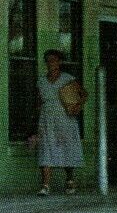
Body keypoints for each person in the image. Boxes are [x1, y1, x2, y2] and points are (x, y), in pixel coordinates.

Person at [28, 49, 84, 195]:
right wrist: (35, 122)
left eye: (53, 60)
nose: (50, 63)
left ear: (59, 61)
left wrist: (77, 105)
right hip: (46, 119)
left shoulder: (67, 78)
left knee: (66, 148)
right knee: (46, 148)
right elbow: (39, 102)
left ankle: (70, 181)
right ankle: (45, 185)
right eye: (48, 60)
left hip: (65, 117)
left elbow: (83, 94)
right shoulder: (41, 81)